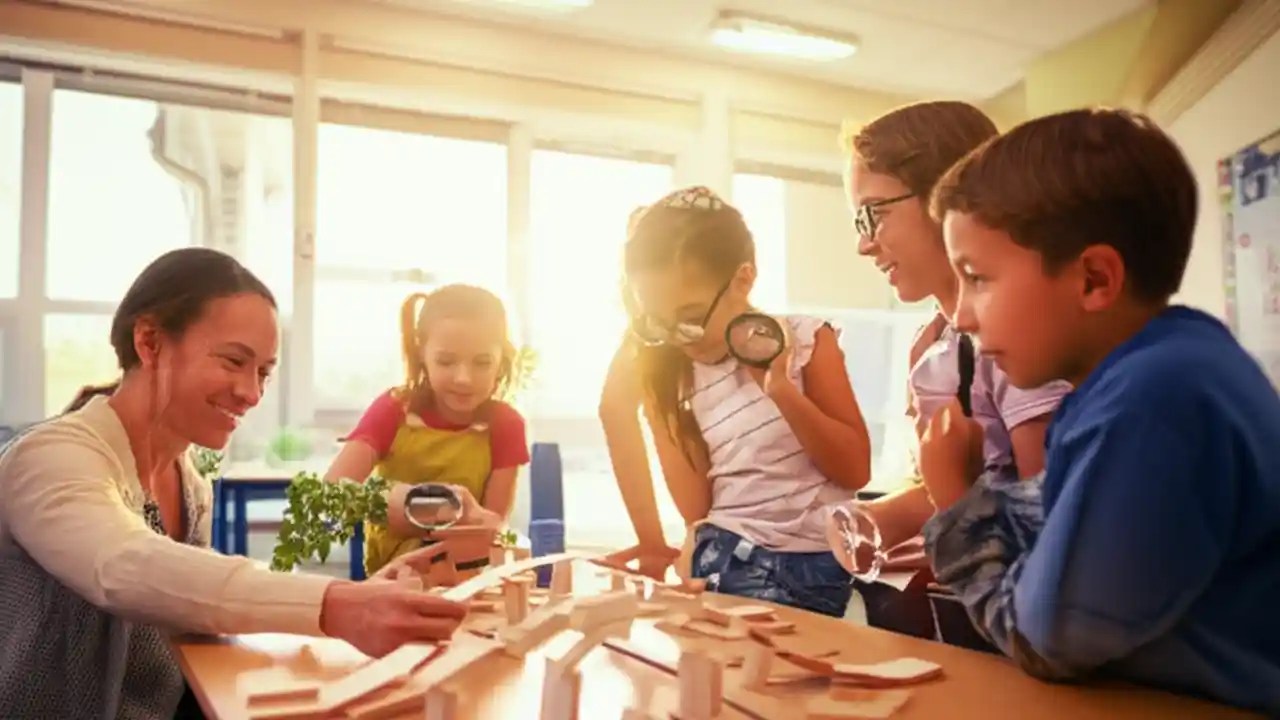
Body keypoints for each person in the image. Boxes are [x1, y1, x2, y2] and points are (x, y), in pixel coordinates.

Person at [0, 247, 468, 720]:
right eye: (232, 361)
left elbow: (196, 599)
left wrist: (362, 602)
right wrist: (336, 603)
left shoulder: (191, 485)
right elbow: (124, 565)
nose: (251, 393)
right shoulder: (51, 457)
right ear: (150, 341)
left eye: (263, 371)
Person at [921, 108, 1280, 714]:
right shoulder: (1173, 366)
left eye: (977, 278)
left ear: (1093, 278)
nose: (961, 316)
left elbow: (1040, 640)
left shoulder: (1153, 401)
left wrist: (957, 501)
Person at [833, 101, 1071, 643]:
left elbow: (1045, 526)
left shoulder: (1016, 343)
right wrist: (888, 518)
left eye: (874, 213)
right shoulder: (937, 345)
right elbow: (974, 475)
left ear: (949, 198)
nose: (863, 243)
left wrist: (953, 516)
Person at [604, 186, 873, 618]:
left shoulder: (808, 340)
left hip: (815, 563)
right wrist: (661, 411)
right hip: (723, 554)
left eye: (690, 318)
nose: (677, 337)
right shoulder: (679, 378)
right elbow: (698, 509)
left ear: (743, 279)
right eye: (658, 321)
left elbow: (854, 470)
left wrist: (781, 389)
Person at [325, 284, 530, 576]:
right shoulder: (394, 410)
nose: (463, 378)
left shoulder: (506, 425)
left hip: (469, 583)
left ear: (502, 361)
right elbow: (331, 492)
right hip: (391, 582)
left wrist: (484, 522)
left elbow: (494, 526)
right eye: (446, 361)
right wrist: (397, 504)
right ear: (421, 353)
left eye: (482, 363)